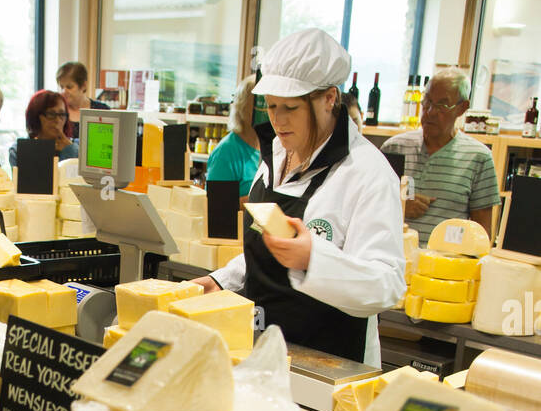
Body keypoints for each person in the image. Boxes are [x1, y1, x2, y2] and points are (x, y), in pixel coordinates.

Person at [199, 28, 404, 365]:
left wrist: (313, 259)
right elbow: (264, 245)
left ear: (328, 99)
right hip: (264, 349)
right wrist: (222, 281)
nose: (278, 121)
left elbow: (387, 284)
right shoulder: (276, 156)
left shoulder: (367, 173)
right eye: (271, 106)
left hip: (329, 362)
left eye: (290, 108)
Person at [381, 68, 500, 247]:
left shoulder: (479, 158)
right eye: (427, 102)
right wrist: (401, 206)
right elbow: (369, 207)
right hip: (391, 258)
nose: (430, 112)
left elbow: (482, 235)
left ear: (462, 108)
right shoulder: (394, 148)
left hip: (445, 265)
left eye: (442, 105)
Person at [206, 76, 261, 202]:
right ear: (242, 106)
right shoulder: (226, 152)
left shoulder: (271, 147)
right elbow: (216, 204)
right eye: (257, 104)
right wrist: (258, 201)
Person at [9, 90, 80, 169]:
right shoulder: (19, 150)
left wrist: (69, 149)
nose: (57, 120)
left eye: (62, 114)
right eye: (51, 114)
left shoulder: (77, 147)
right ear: (36, 116)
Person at [56, 61, 109, 128]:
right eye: (61, 87)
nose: (63, 91)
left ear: (83, 85)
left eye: (69, 87)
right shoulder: (56, 112)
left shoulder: (102, 110)